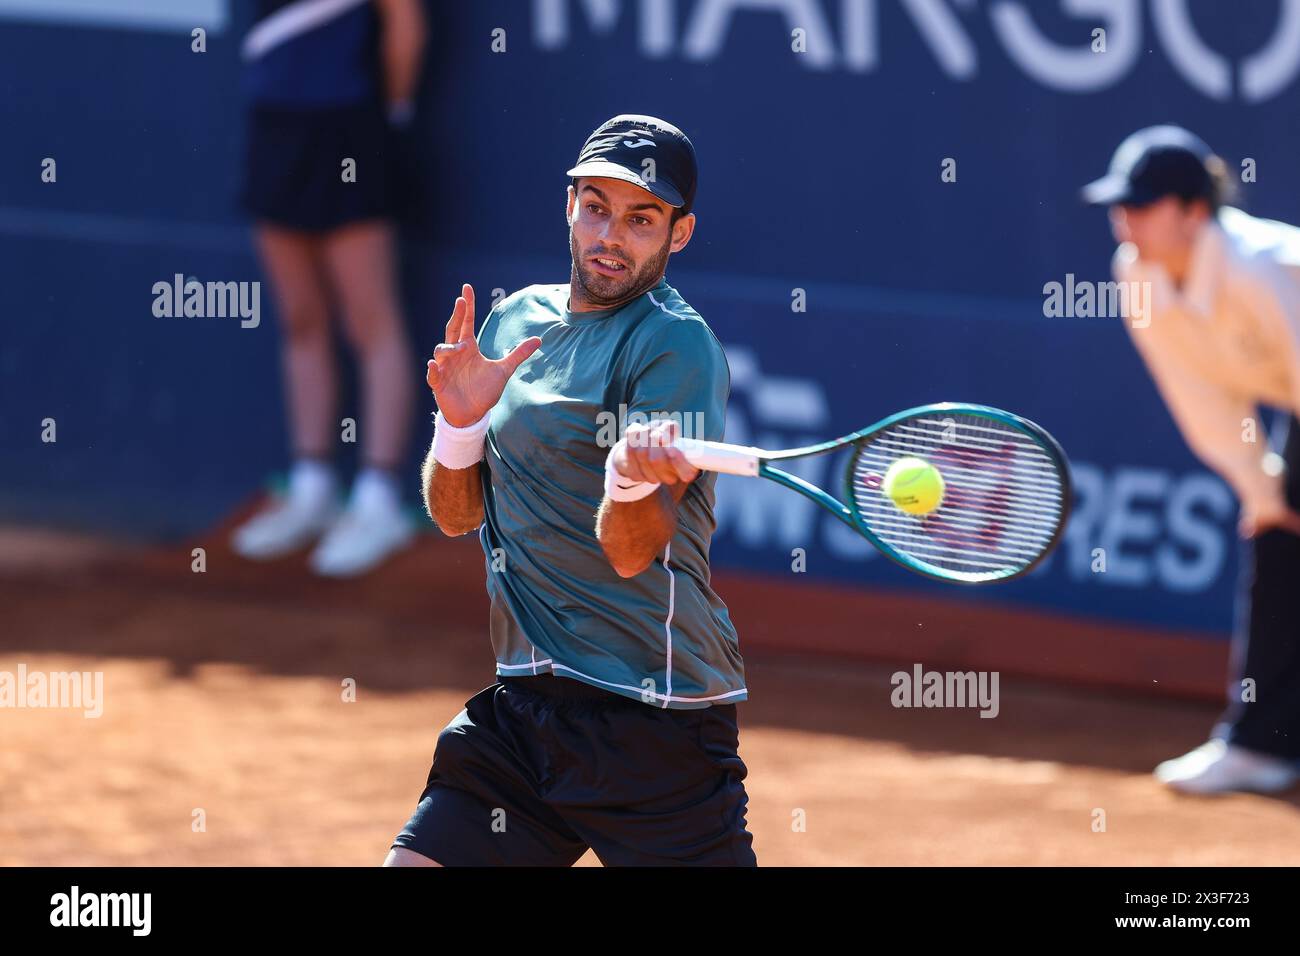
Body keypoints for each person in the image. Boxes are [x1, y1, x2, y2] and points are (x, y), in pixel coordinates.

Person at [385, 115, 756, 865]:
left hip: (651, 720)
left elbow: (633, 555)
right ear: (570, 207)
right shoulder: (516, 321)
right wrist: (458, 427)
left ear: (679, 233)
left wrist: (626, 481)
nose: (610, 236)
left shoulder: (673, 345)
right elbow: (456, 516)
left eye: (641, 218)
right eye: (596, 207)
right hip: (523, 710)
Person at [1083, 124, 1300, 794]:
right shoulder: (1135, 274)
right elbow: (1200, 397)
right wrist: (1261, 493)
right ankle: (1261, 743)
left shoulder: (1270, 268)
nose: (1126, 219)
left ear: (1195, 212)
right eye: (1122, 203)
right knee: (1277, 533)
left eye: (1143, 204)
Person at [231, 0, 426, 576]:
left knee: (370, 322)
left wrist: (385, 117)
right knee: (300, 317)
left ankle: (378, 499)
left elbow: (405, 28)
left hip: (349, 127)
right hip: (272, 124)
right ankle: (311, 487)